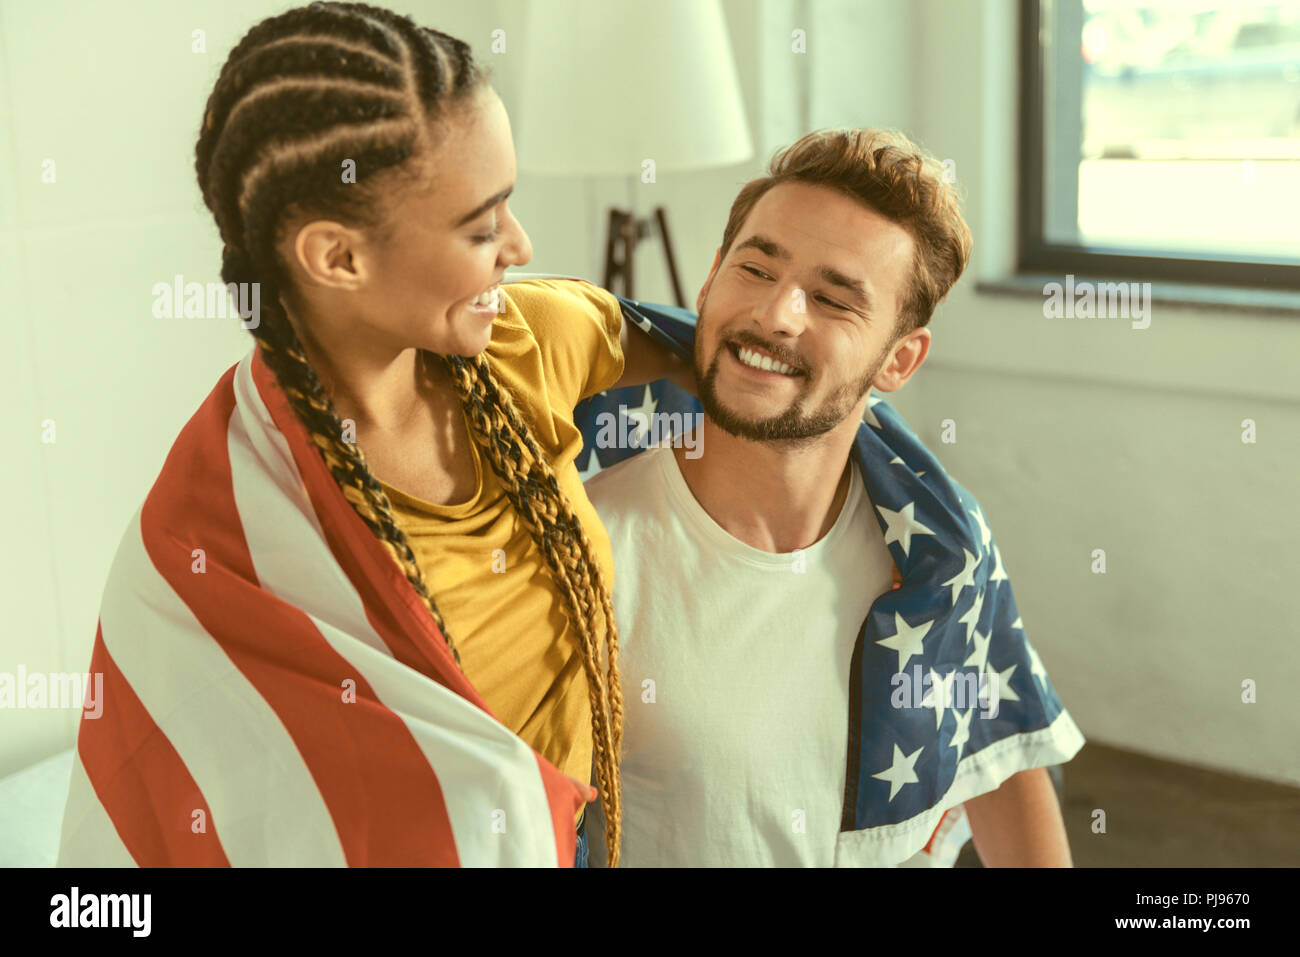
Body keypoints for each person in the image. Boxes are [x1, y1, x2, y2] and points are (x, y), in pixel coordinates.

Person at [56, 1, 688, 867]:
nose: (520, 243)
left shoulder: (526, 340)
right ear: (337, 257)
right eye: (481, 224)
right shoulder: (213, 534)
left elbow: (738, 361)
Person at [582, 128, 1086, 867]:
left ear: (899, 359)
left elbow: (1003, 762)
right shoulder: (586, 523)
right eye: (755, 269)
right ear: (710, 278)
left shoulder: (940, 550)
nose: (777, 314)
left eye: (832, 298)